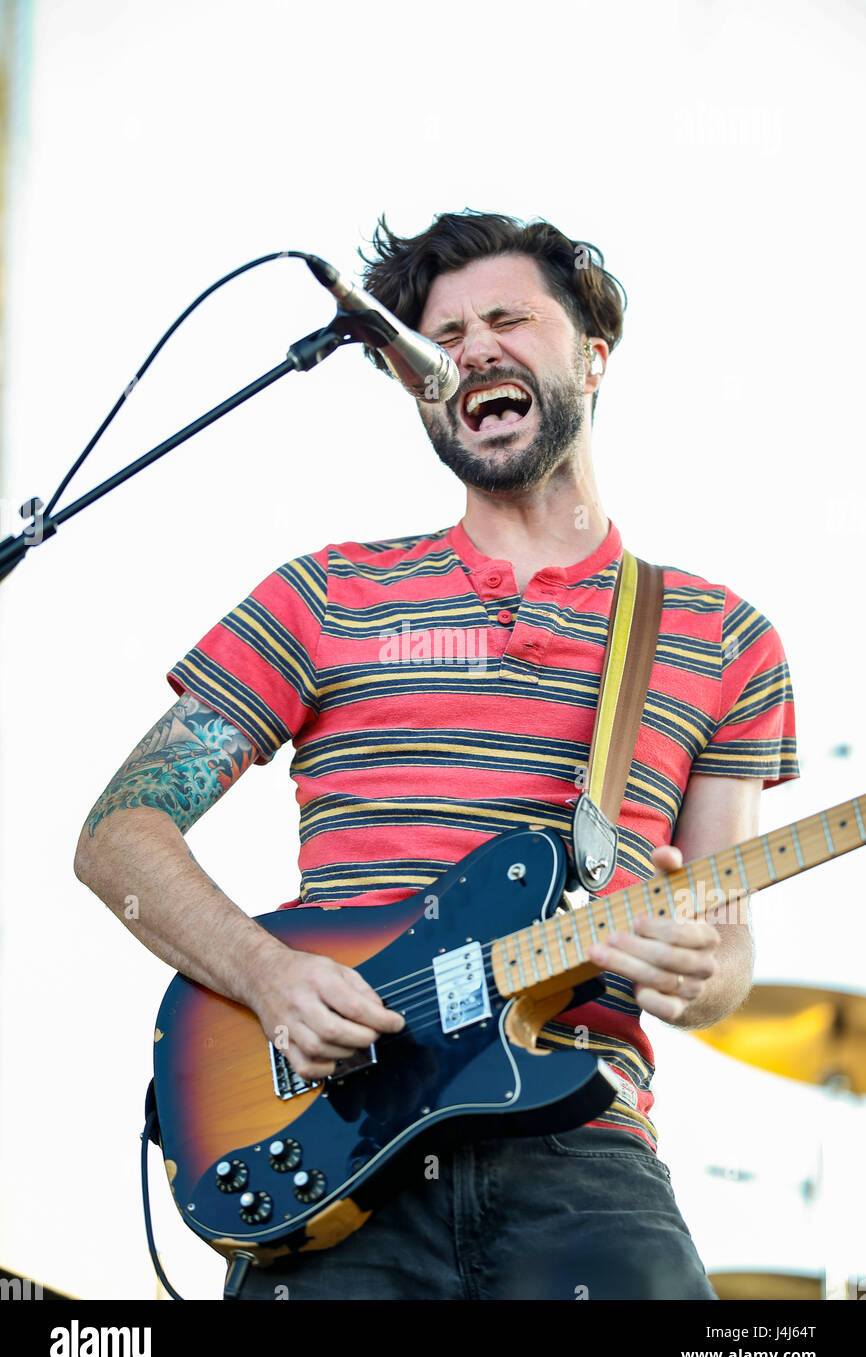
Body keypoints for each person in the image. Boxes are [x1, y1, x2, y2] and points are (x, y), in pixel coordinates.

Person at [74, 210, 798, 1300]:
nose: (470, 348)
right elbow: (116, 838)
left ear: (592, 354)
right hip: (331, 1146)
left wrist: (707, 975)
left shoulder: (719, 636)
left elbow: (724, 945)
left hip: (581, 1147)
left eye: (507, 317)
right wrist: (268, 977)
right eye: (443, 334)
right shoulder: (324, 595)